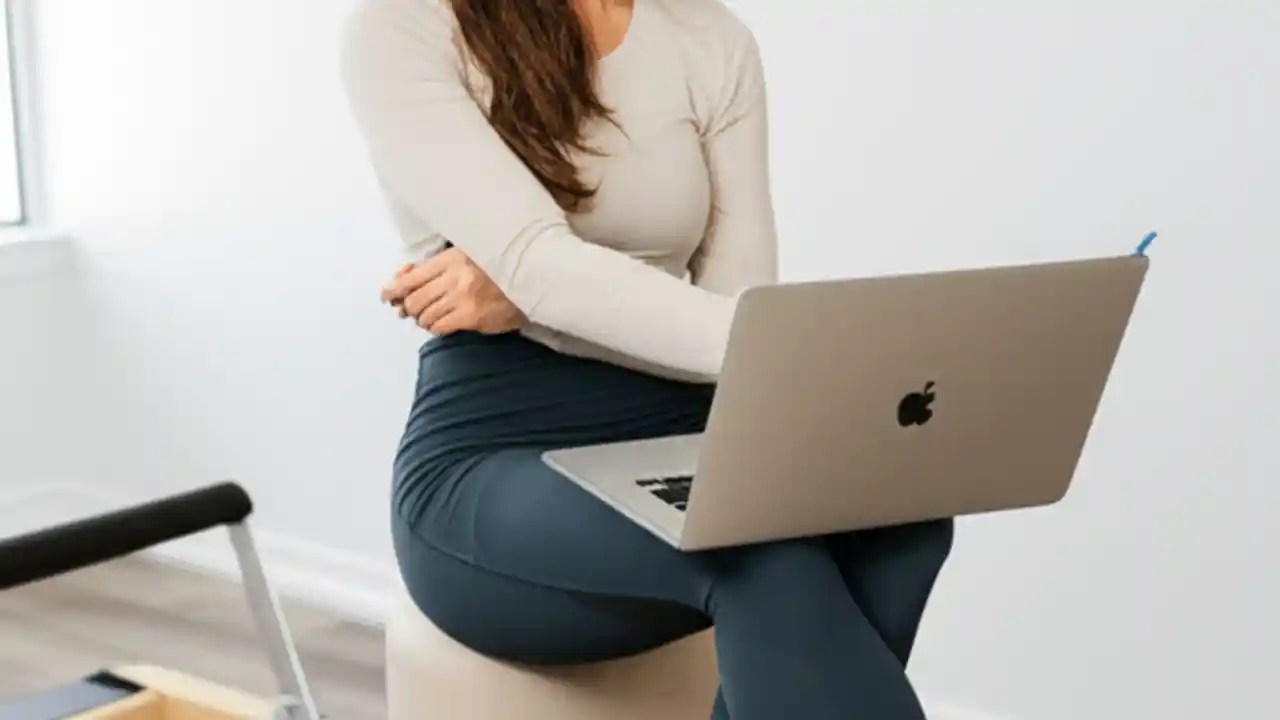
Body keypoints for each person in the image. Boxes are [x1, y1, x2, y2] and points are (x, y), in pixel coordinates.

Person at [341, 1, 954, 717]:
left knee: (902, 519)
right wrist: (543, 281)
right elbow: (555, 269)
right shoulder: (405, 24)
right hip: (498, 446)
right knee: (754, 550)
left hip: (687, 430)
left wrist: (535, 295)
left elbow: (731, 327)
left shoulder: (711, 39)